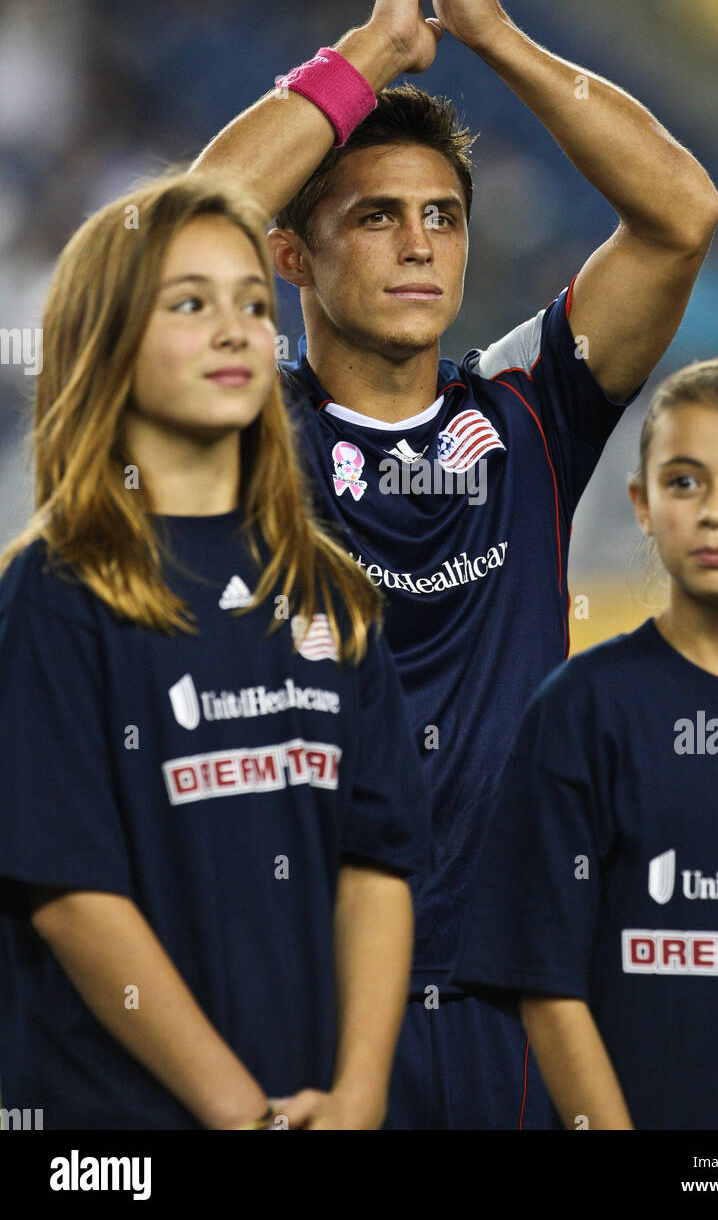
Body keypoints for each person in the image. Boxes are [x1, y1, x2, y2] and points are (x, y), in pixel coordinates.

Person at [190, 0, 718, 1128]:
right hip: (301, 995)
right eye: (374, 216)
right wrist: (372, 52)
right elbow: (172, 227)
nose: (419, 240)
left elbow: (682, 214)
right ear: (291, 258)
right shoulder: (250, 416)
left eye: (441, 214)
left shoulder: (529, 409)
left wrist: (492, 35)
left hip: (516, 997)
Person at [0, 169, 430, 1130]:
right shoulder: (55, 592)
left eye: (249, 301)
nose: (237, 328)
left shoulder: (330, 591)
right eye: (190, 304)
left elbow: (378, 865)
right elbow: (71, 894)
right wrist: (235, 1108)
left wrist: (358, 1097)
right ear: (105, 339)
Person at [454, 353, 718, 1130]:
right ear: (640, 504)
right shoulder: (584, 709)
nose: (716, 510)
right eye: (685, 481)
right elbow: (546, 980)